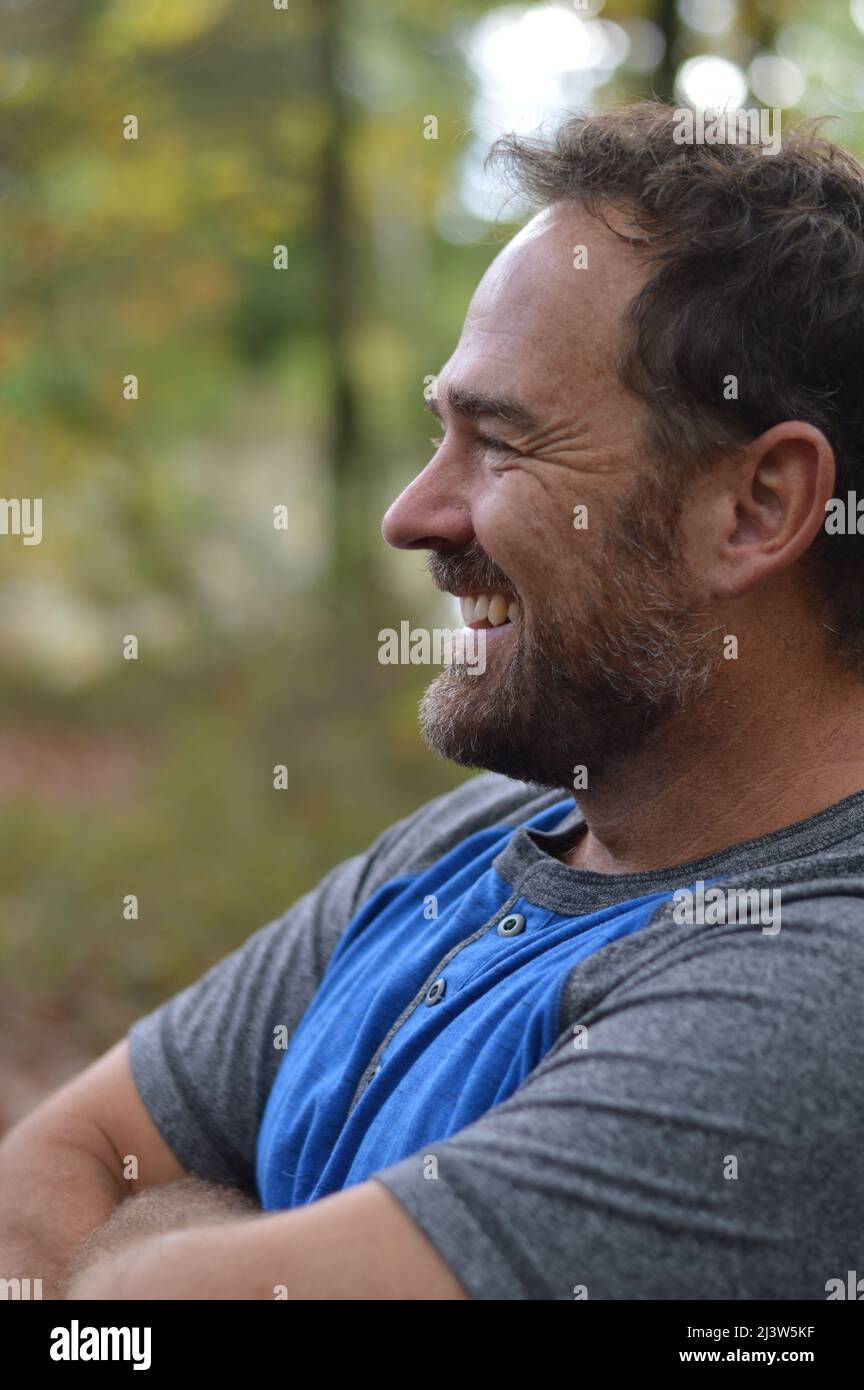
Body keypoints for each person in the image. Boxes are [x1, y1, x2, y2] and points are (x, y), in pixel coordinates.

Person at [3, 102, 864, 1301]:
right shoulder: (472, 845)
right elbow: (58, 1166)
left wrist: (182, 1236)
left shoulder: (813, 991)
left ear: (759, 508)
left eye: (501, 446)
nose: (411, 514)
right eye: (436, 428)